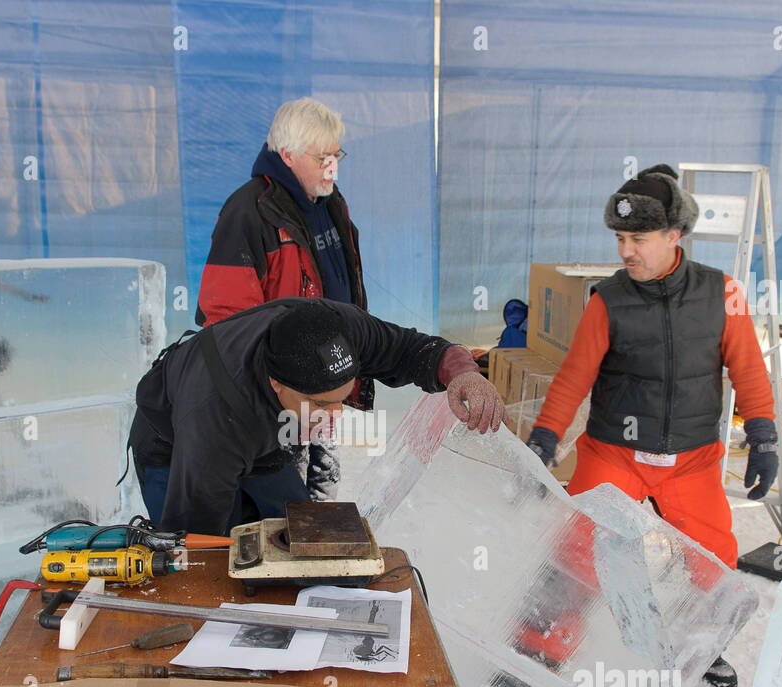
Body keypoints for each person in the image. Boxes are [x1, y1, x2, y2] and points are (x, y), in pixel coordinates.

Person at [526, 164, 778, 687]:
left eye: (637, 238)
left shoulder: (723, 294)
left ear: (673, 235)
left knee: (714, 562)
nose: (625, 251)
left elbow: (749, 370)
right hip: (613, 455)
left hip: (692, 460)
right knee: (578, 547)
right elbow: (573, 378)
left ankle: (704, 648)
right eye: (620, 238)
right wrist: (545, 438)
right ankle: (540, 647)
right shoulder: (607, 300)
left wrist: (762, 437)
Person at [131, 297, 505, 536]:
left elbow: (410, 349)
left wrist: (462, 372)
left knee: (302, 537)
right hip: (174, 443)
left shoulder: (340, 329)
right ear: (277, 383)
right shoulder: (212, 419)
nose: (334, 417)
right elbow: (198, 545)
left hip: (267, 433)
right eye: (321, 405)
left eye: (341, 399)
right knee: (224, 552)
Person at [195, 97, 366, 503]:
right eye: (322, 156)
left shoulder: (330, 203)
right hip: (281, 394)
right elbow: (224, 319)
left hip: (326, 381)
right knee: (285, 500)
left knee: (324, 489)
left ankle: (320, 545)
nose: (332, 167)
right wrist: (268, 390)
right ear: (286, 155)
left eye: (336, 154)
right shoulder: (249, 212)